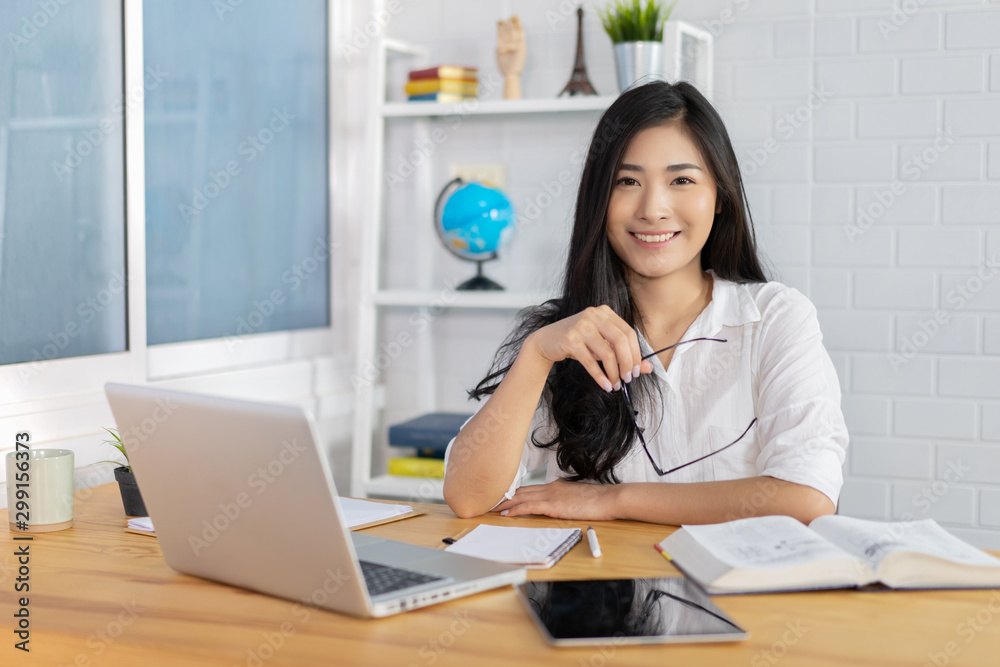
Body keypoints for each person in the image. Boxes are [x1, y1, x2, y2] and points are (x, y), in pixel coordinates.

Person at [442, 81, 848, 526]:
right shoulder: (566, 336)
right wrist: (536, 354)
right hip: (596, 592)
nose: (653, 208)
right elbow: (467, 497)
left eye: (681, 180)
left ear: (720, 198)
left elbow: (807, 498)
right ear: (600, 198)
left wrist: (613, 501)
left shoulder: (774, 319)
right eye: (628, 181)